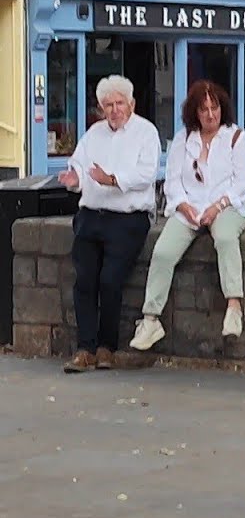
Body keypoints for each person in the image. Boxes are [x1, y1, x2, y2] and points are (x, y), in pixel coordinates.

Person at [128, 80, 245, 351]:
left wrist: (217, 207)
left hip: (226, 206)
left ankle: (234, 306)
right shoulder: (184, 139)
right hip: (191, 208)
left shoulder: (235, 137)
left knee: (224, 239)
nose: (211, 115)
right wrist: (183, 205)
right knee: (162, 252)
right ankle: (150, 319)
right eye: (204, 109)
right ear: (194, 113)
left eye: (215, 108)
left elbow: (243, 181)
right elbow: (172, 181)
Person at [57, 75, 161, 373]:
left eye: (119, 104)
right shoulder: (94, 133)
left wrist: (112, 180)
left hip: (128, 217)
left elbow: (146, 174)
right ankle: (85, 349)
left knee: (110, 280)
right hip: (92, 213)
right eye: (108, 105)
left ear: (131, 104)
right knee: (85, 281)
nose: (114, 110)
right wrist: (75, 179)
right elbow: (78, 165)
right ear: (101, 108)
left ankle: (107, 347)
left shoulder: (146, 132)